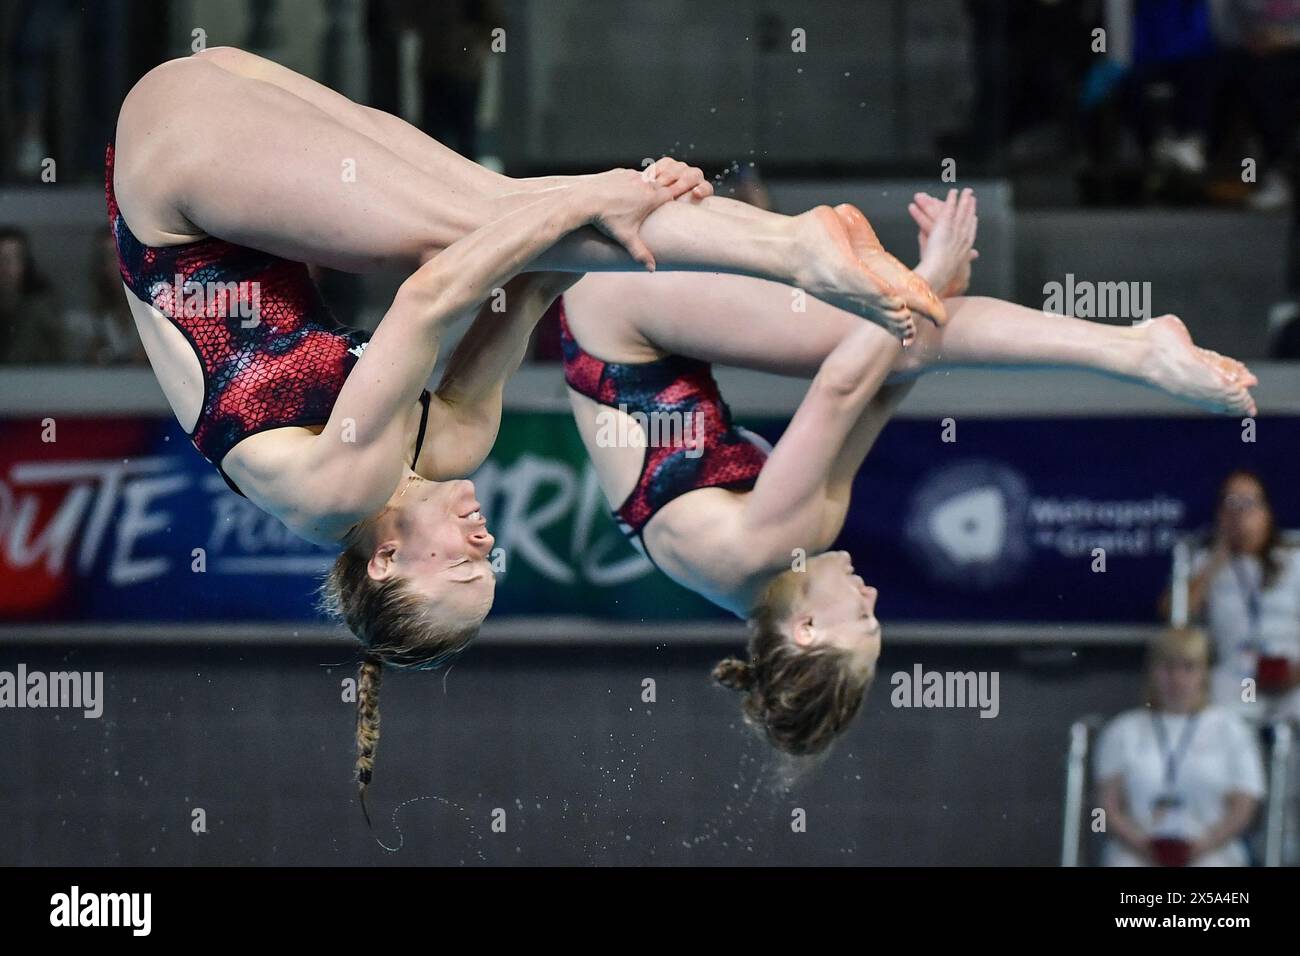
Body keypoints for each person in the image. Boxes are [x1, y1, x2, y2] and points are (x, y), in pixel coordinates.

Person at [107, 46, 944, 803]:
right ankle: (790, 242)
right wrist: (651, 199)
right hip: (232, 135)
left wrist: (600, 199)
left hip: (175, 182)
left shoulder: (337, 488)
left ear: (390, 560)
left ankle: (799, 254)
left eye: (465, 567)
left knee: (463, 228)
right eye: (494, 564)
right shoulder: (453, 443)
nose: (485, 542)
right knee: (503, 208)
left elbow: (433, 294)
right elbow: (540, 274)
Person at [559, 189, 1258, 755]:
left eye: (861, 622)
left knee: (882, 318)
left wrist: (924, 282)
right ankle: (1130, 351)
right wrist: (925, 290)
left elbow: (838, 388)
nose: (871, 601)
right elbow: (882, 384)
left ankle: (1137, 352)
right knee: (905, 328)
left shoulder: (766, 548)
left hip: (614, 321)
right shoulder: (804, 548)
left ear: (804, 630)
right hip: (651, 348)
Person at [1095, 627, 1265, 866]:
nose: (1177, 678)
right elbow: (1106, 810)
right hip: (1138, 850)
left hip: (1211, 850)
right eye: (1167, 667)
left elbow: (1243, 809)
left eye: (1188, 667)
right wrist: (1142, 845)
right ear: (1151, 673)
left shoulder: (1232, 730)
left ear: (1205, 673)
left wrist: (1201, 846)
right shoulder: (1123, 730)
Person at [1169, 470, 1300, 721]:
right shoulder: (1207, 564)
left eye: (1249, 503)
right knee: (1217, 714)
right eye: (1231, 503)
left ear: (1267, 513)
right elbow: (1174, 613)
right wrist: (1218, 557)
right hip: (1236, 673)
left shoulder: (1294, 562)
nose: (1240, 512)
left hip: (1291, 672)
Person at [0, 225, 65, 364]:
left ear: (25, 265)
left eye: (12, 259)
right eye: (1, 258)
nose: (5, 266)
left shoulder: (40, 312)